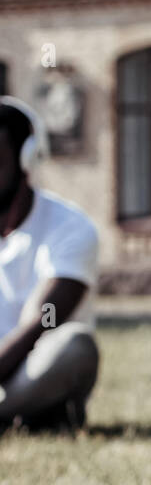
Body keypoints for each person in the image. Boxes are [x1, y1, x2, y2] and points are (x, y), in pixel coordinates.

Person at [0, 97, 100, 434]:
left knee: (76, 344)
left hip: (31, 370)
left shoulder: (71, 226)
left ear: (27, 158)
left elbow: (40, 324)